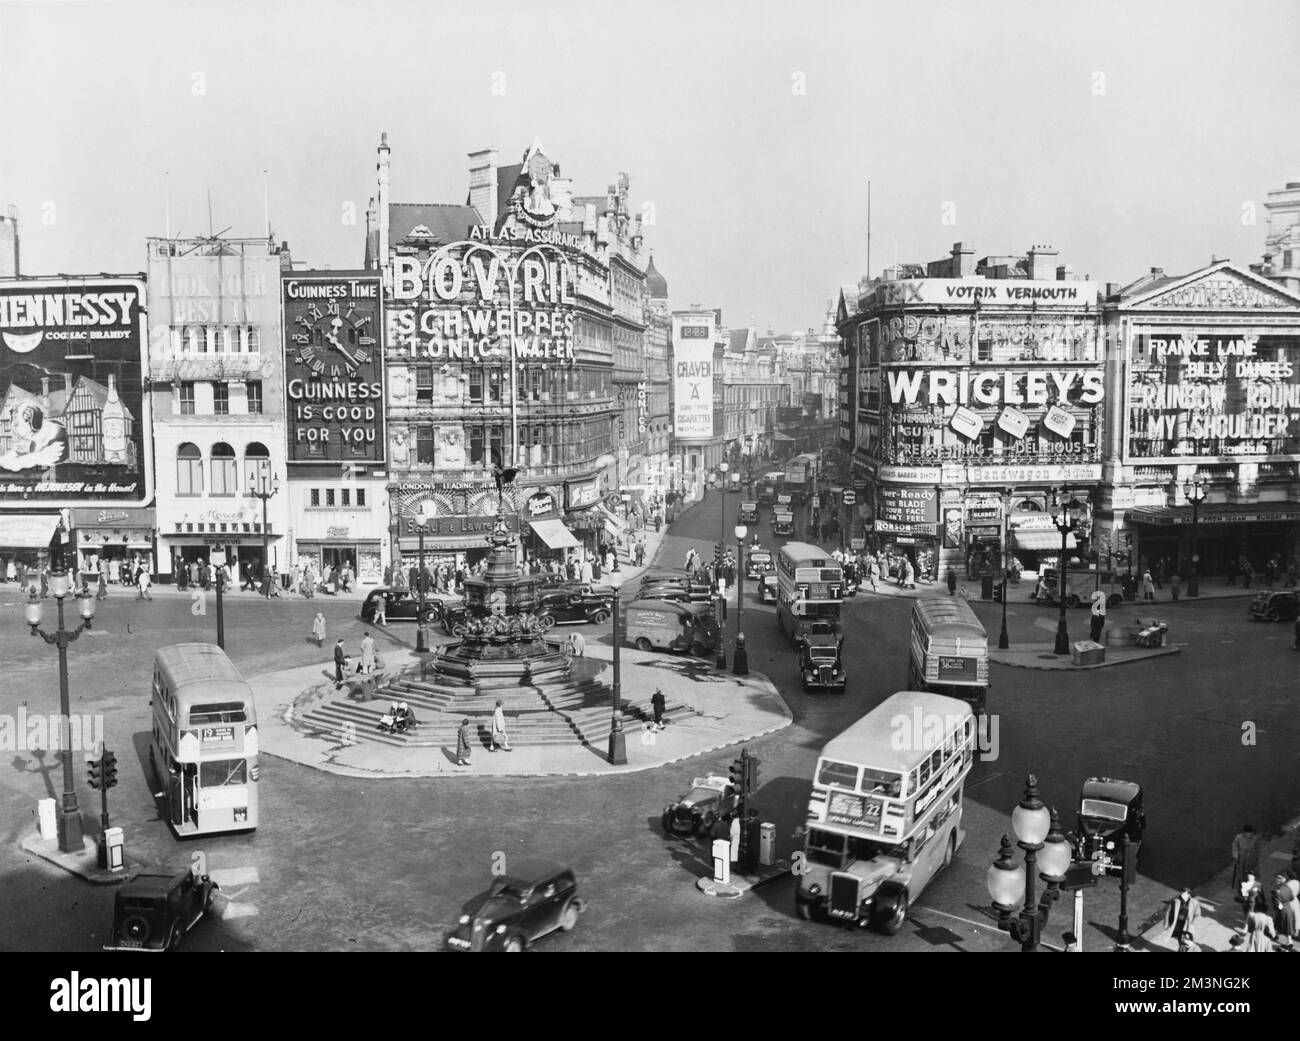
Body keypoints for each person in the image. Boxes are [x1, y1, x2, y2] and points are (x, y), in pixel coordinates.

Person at [1164, 888, 1203, 952]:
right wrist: (1167, 924)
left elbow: (1198, 915)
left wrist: (1192, 924)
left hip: (1187, 927)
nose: (1182, 895)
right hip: (1178, 926)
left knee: (1186, 942)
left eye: (1184, 894)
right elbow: (1168, 912)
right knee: (1181, 941)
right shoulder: (1175, 901)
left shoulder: (1194, 903)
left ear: (1188, 894)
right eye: (1181, 893)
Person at [1232, 825, 1263, 891]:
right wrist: (1235, 855)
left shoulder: (1255, 839)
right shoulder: (1239, 838)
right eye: (1247, 834)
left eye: (1250, 834)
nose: (1249, 836)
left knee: (1253, 873)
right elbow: (1235, 846)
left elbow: (1258, 848)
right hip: (1242, 859)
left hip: (1252, 859)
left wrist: (1257, 856)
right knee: (1241, 874)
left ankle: (1253, 886)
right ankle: (1241, 887)